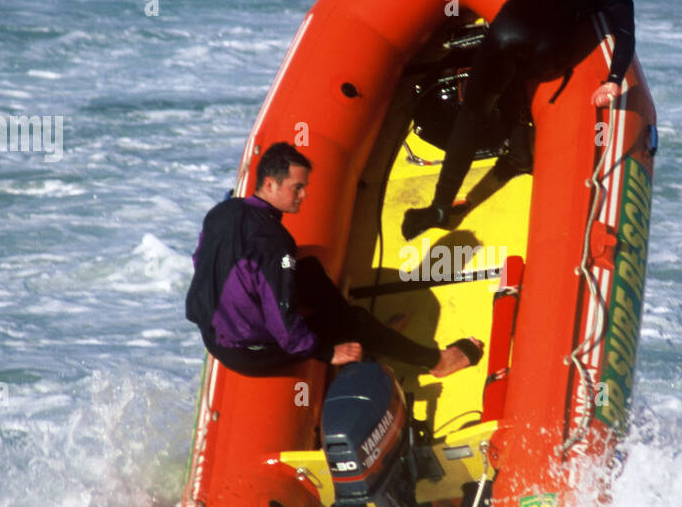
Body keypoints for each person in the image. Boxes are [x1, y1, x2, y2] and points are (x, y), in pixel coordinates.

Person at [402, 0, 655, 241]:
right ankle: (520, 156)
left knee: (473, 113)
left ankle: (438, 207)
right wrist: (612, 80)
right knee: (519, 77)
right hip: (548, 54)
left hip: (508, 31)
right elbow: (625, 35)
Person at [186, 142, 482, 377]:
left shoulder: (223, 211)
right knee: (357, 322)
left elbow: (200, 259)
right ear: (270, 184)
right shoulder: (276, 244)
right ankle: (437, 361)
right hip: (248, 351)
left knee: (311, 271)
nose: (304, 195)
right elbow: (284, 324)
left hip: (213, 334)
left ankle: (356, 329)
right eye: (297, 188)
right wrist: (327, 352)